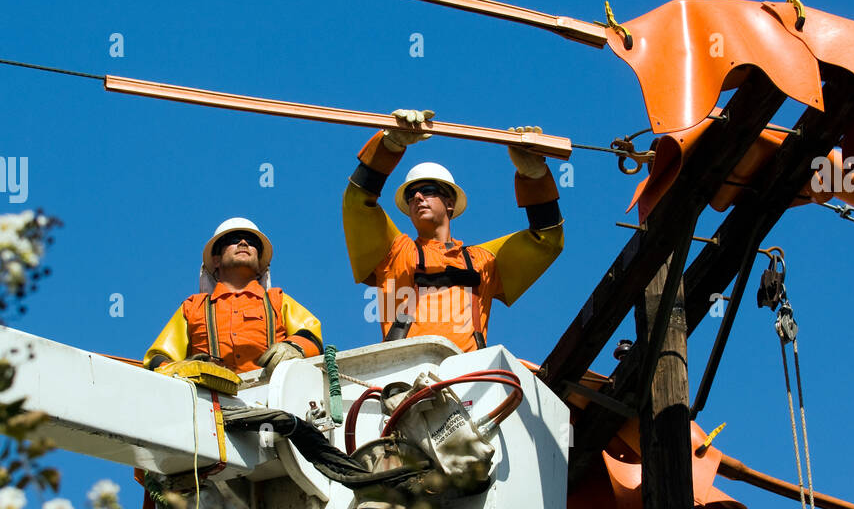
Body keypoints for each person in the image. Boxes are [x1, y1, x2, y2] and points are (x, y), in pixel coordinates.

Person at [342, 108, 563, 351]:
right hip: (404, 374)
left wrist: (534, 176)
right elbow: (357, 201)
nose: (416, 197)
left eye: (427, 190)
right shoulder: (394, 253)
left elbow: (547, 239)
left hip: (467, 377)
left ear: (450, 203)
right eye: (410, 195)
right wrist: (389, 145)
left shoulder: (482, 262)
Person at [144, 217, 323, 378]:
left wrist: (294, 347)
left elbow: (311, 335)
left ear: (261, 264)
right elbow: (157, 359)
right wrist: (182, 369)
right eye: (233, 240)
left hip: (271, 398)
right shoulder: (193, 308)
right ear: (216, 260)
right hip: (209, 403)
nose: (244, 243)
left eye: (252, 242)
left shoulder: (277, 300)